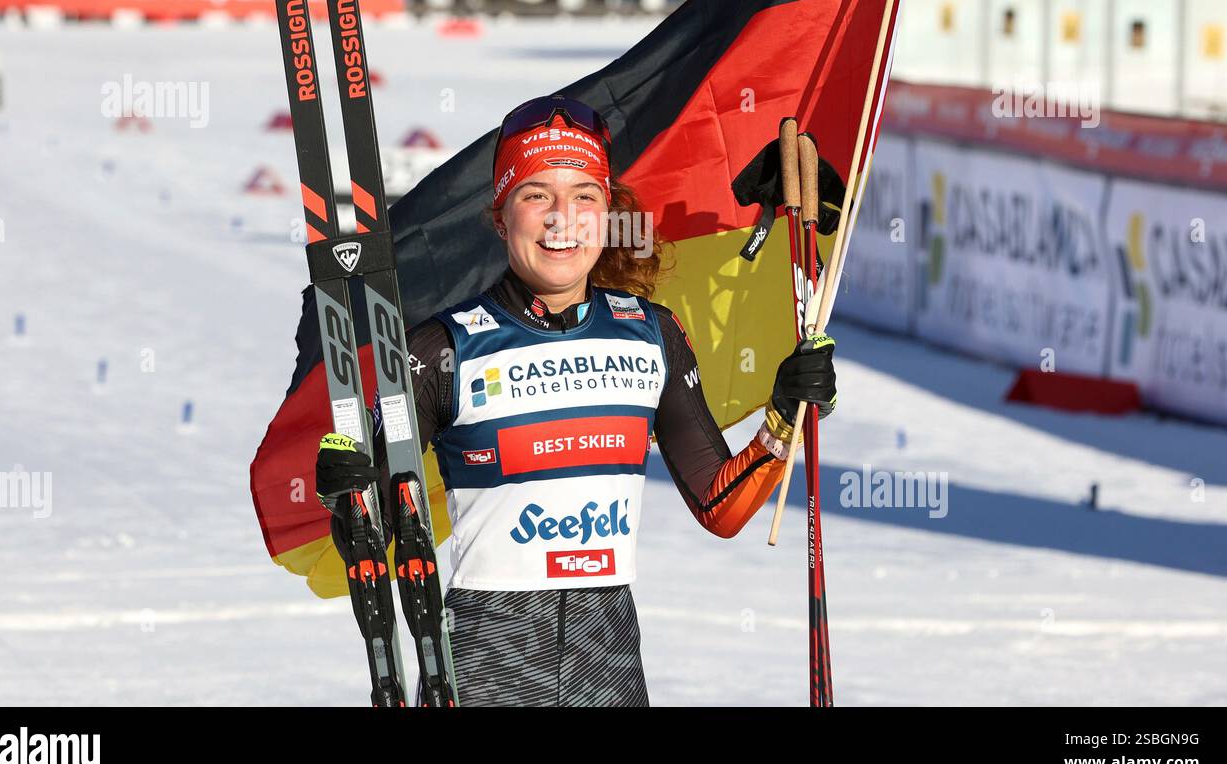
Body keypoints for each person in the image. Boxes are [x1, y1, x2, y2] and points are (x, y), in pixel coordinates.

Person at [316, 96, 838, 707]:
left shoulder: (651, 334)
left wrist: (785, 417)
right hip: (487, 649)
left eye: (584, 196)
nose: (562, 218)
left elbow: (720, 506)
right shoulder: (444, 347)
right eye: (536, 194)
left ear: (608, 215)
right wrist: (342, 484)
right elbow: (372, 525)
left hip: (608, 649)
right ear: (500, 216)